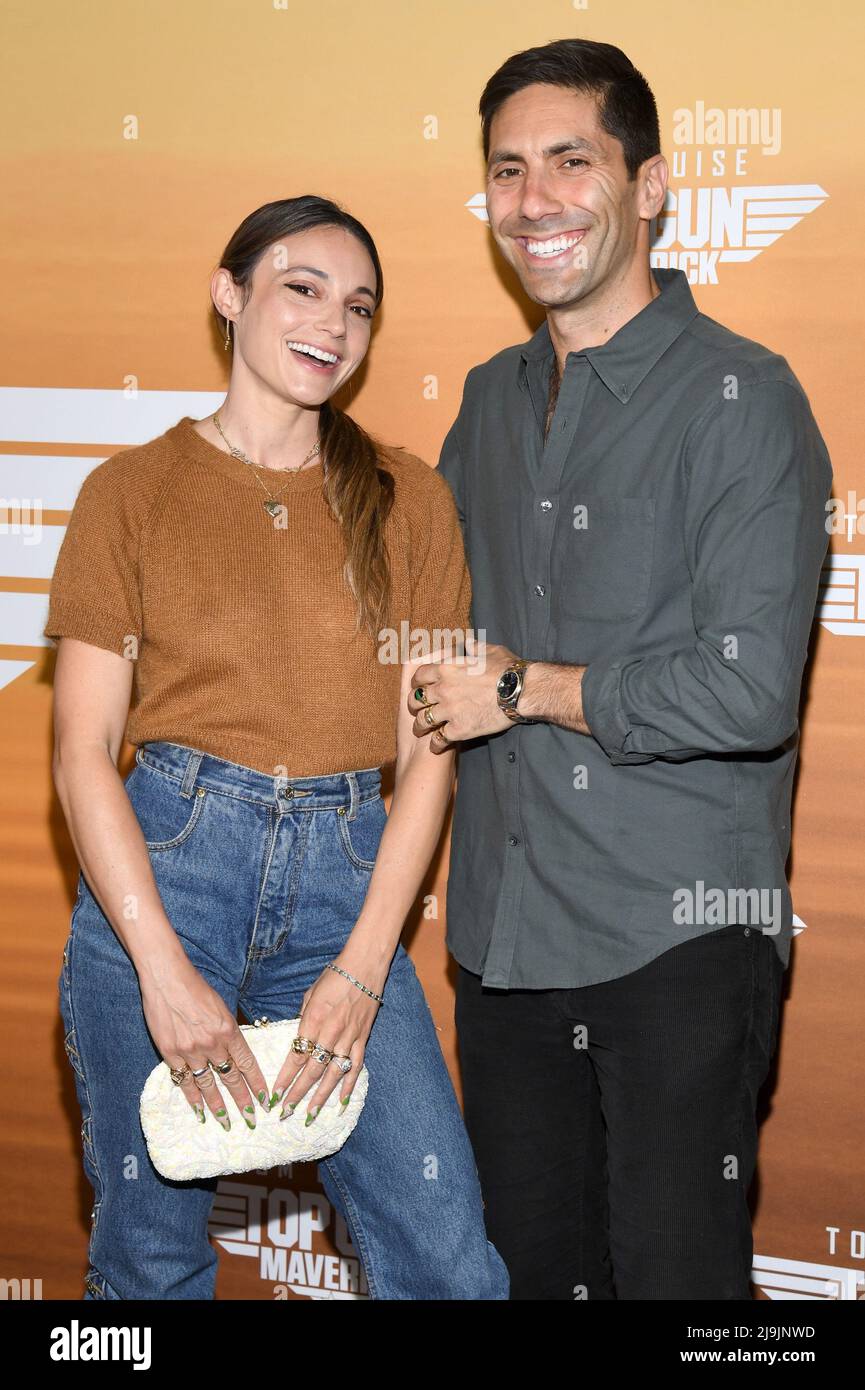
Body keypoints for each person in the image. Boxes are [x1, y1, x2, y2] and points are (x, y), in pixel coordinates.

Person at [408, 39, 833, 1299]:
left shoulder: (744, 399)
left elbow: (749, 688)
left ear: (650, 187)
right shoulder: (485, 401)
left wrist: (530, 688)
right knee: (536, 1277)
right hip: (500, 940)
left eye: (570, 161)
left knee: (678, 1289)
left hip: (674, 944)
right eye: (506, 169)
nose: (533, 199)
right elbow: (415, 620)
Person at [45, 194, 509, 1301]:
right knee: (150, 1267)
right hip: (164, 882)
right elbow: (82, 748)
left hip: (347, 895)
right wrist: (161, 968)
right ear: (230, 293)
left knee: (446, 1264)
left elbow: (430, 753)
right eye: (301, 288)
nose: (332, 324)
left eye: (358, 306)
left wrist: (360, 966)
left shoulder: (410, 501)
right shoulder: (128, 494)